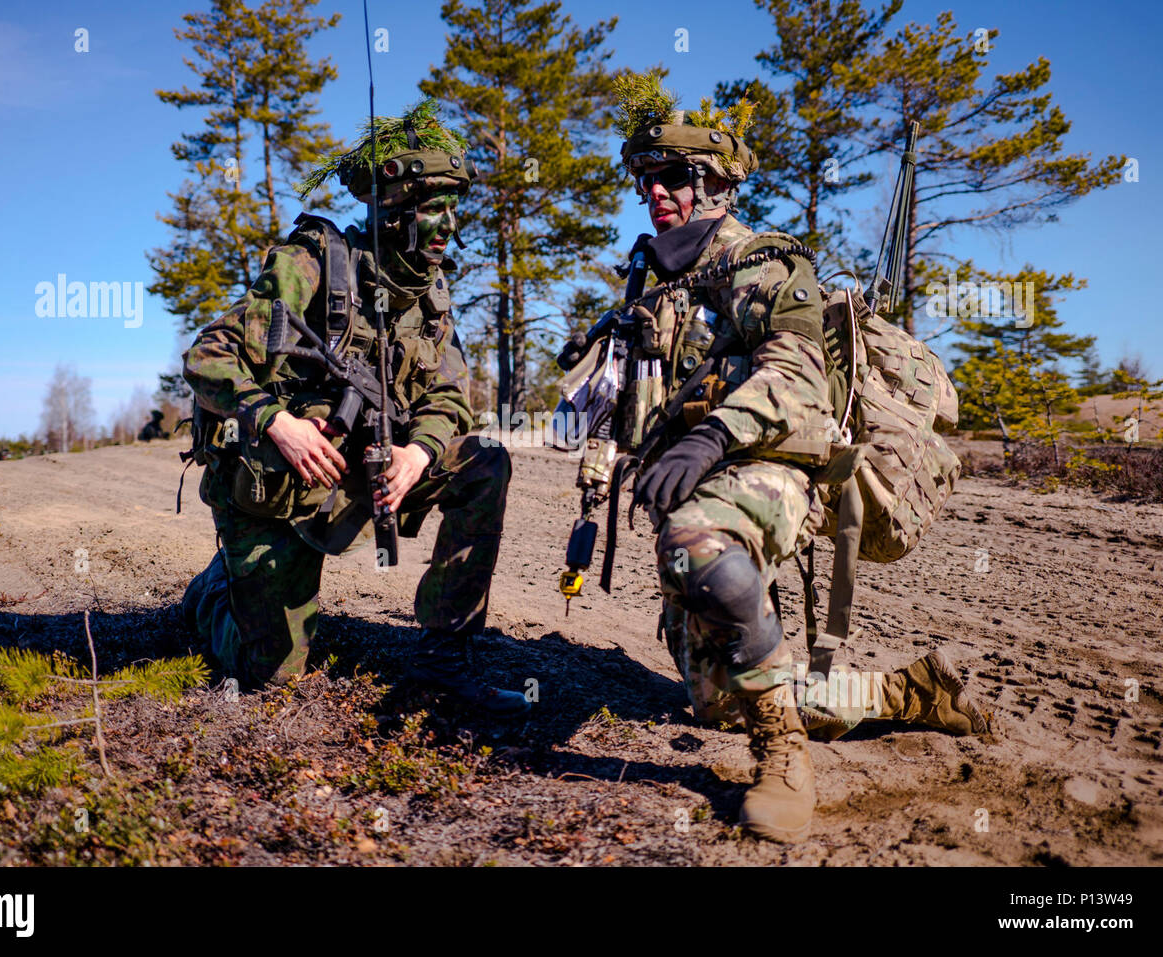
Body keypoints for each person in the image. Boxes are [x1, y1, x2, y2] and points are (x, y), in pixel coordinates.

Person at [560, 76, 986, 843]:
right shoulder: (654, 279)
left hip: (775, 466)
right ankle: (912, 693)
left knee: (699, 543)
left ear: (717, 183)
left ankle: (784, 757)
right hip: (700, 476)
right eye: (645, 178)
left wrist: (710, 436)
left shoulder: (761, 261)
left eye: (675, 178)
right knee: (720, 698)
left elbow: (797, 377)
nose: (656, 192)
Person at [180, 100, 529, 718]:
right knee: (270, 676)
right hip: (282, 489)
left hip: (366, 474)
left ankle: (443, 658)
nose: (448, 223)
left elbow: (450, 395)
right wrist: (276, 422)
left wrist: (419, 451)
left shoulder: (431, 295)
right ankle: (212, 594)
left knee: (485, 461)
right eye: (432, 209)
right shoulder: (313, 264)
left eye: (454, 208)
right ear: (393, 211)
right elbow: (209, 354)